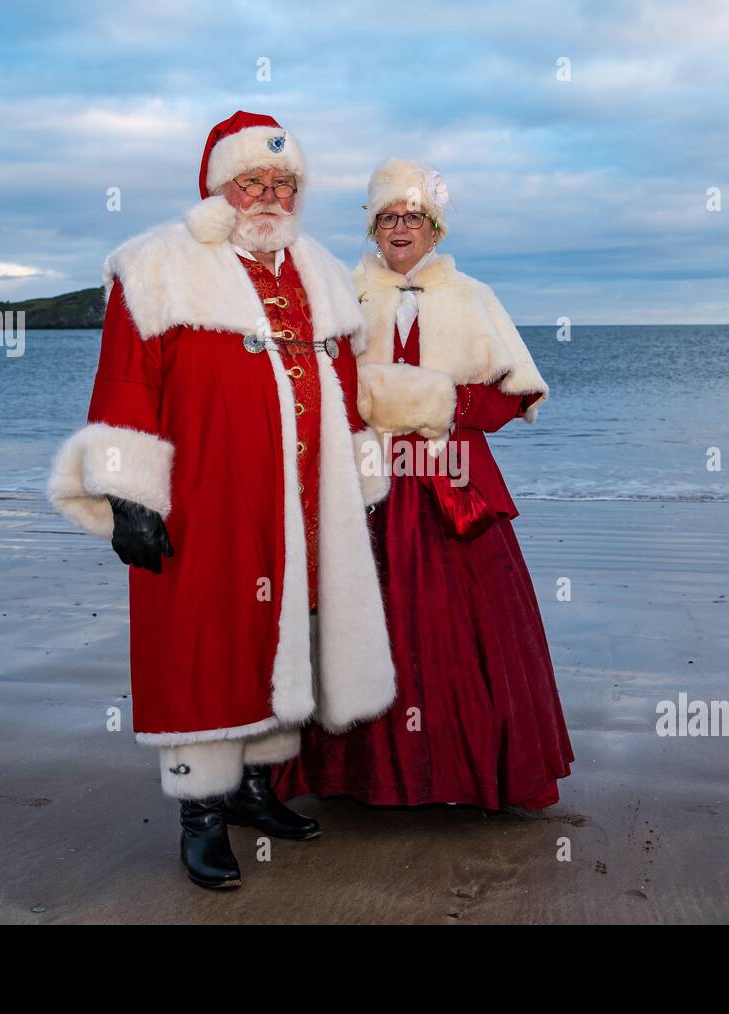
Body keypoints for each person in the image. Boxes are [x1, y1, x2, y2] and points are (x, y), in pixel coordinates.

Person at [47, 111, 394, 889]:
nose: (269, 194)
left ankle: (253, 788)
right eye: (253, 180)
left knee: (283, 634)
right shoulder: (156, 265)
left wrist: (363, 478)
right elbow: (126, 381)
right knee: (202, 643)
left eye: (284, 182)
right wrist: (126, 492)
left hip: (303, 501)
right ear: (219, 185)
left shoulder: (326, 272)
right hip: (202, 498)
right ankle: (200, 813)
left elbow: (346, 387)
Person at [272, 159, 573, 810]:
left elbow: (510, 399)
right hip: (366, 483)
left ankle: (468, 777)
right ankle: (358, 775)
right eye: (389, 217)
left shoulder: (473, 297)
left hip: (451, 484)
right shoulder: (343, 295)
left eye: (412, 217)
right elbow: (315, 391)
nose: (400, 227)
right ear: (373, 228)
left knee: (463, 629)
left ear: (434, 229)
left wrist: (439, 402)